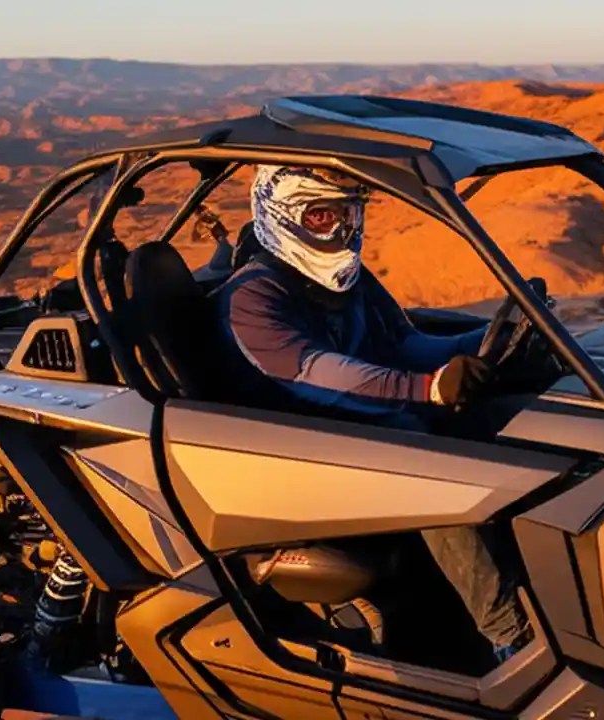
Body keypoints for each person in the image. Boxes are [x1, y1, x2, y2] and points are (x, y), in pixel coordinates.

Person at [212, 165, 533, 662]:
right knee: (427, 464)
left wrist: (490, 340)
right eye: (322, 216)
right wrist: (426, 389)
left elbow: (404, 344)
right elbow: (321, 374)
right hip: (285, 461)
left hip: (348, 441)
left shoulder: (348, 283)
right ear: (282, 216)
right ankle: (509, 639)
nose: (341, 231)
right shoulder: (253, 296)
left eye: (349, 215)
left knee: (498, 423)